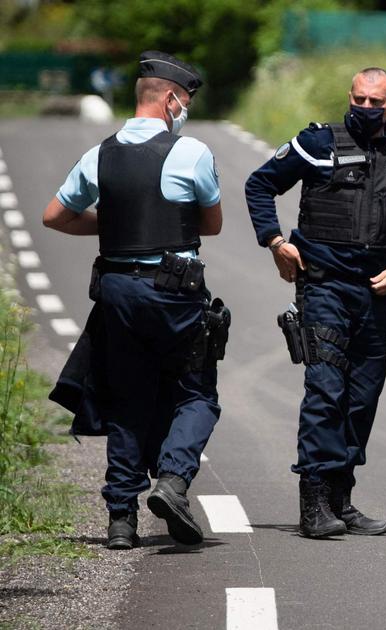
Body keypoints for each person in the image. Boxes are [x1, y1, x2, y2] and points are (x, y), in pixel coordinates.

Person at [43, 51, 227, 550]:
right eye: (185, 101)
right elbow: (211, 223)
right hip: (175, 293)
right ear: (171, 100)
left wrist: (117, 222)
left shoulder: (97, 154)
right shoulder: (191, 153)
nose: (183, 109)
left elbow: (54, 216)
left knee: (128, 400)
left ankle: (121, 519)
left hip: (117, 293)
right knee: (196, 393)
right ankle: (171, 481)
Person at [244, 67, 386, 539]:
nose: (367, 108)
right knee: (326, 390)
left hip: (376, 291)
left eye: (377, 102)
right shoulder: (316, 143)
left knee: (361, 398)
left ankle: (340, 499)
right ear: (349, 97)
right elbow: (260, 185)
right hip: (324, 286)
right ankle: (313, 506)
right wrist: (274, 242)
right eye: (360, 99)